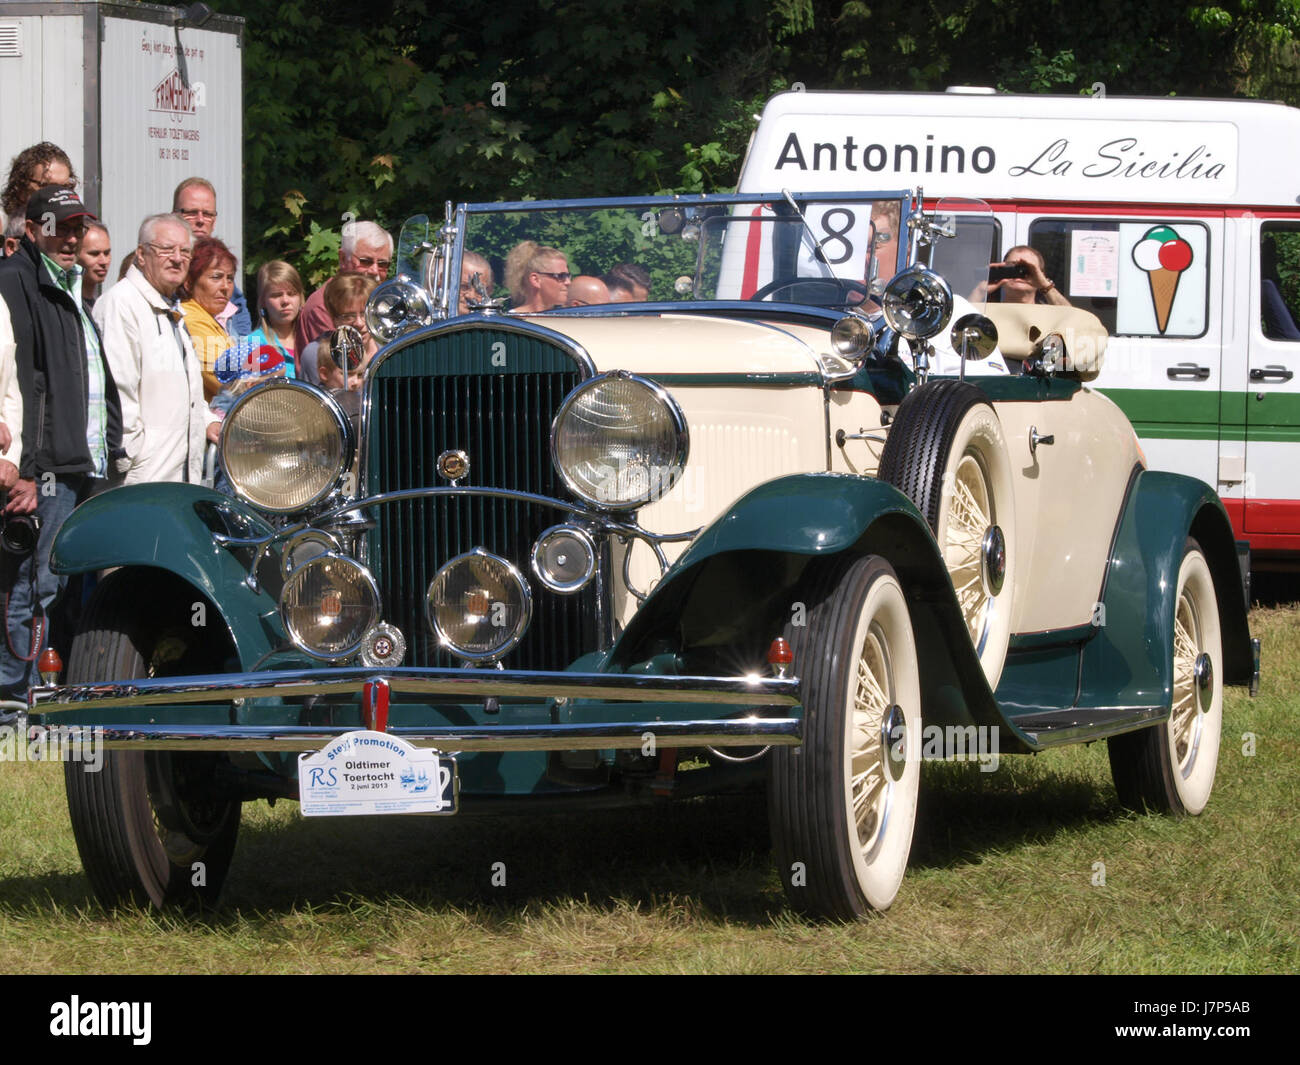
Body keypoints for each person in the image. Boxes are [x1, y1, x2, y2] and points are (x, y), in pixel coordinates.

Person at [0, 186, 123, 702]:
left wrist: (111, 446)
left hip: (77, 463)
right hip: (43, 467)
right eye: (59, 227)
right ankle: (10, 699)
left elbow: (92, 373)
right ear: (32, 229)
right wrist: (26, 469)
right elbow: (23, 383)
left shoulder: (66, 282)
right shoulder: (17, 279)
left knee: (51, 586)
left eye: (76, 228)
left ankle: (29, 692)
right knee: (28, 585)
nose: (70, 238)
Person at [94, 213, 207, 484]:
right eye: (166, 249)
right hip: (139, 483)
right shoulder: (121, 304)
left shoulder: (171, 310)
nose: (178, 258)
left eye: (185, 251)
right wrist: (130, 458)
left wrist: (209, 420)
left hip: (174, 481)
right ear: (141, 255)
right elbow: (118, 395)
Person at [295, 221, 393, 354]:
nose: (374, 271)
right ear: (342, 258)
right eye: (366, 261)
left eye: (383, 264)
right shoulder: (323, 305)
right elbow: (341, 363)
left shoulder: (385, 300)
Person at [172, 177, 251, 335]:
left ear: (214, 221)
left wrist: (244, 354)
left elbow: (241, 324)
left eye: (207, 214)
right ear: (175, 216)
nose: (200, 220)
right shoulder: (162, 264)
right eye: (192, 212)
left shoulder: (220, 265)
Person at [180, 237, 240, 400]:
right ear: (189, 282)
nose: (225, 287)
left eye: (230, 278)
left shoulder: (210, 318)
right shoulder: (190, 318)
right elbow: (230, 381)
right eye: (216, 277)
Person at [298, 272, 379, 386]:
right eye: (348, 316)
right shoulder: (316, 354)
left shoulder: (390, 349)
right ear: (333, 318)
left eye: (364, 314)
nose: (359, 323)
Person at [243, 259, 304, 370]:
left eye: (292, 294)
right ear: (263, 301)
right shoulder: (252, 345)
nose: (285, 301)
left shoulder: (310, 338)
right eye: (276, 295)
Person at [1, 142, 76, 221]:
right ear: (21, 188)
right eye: (48, 187)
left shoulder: (80, 228)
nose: (58, 194)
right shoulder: (4, 225)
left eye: (65, 187)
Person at [986, 245, 1070, 307]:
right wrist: (979, 293)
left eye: (1027, 269)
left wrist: (1045, 285)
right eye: (1012, 267)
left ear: (1040, 275)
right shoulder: (988, 310)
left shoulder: (1048, 313)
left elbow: (1071, 320)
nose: (1019, 274)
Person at [506, 241, 570, 312]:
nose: (568, 282)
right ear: (535, 280)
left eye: (568, 276)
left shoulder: (567, 320)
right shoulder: (509, 321)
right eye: (561, 276)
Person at [78, 220, 112, 308]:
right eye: (94, 254)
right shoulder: (67, 307)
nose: (103, 261)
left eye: (107, 253)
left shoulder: (101, 305)